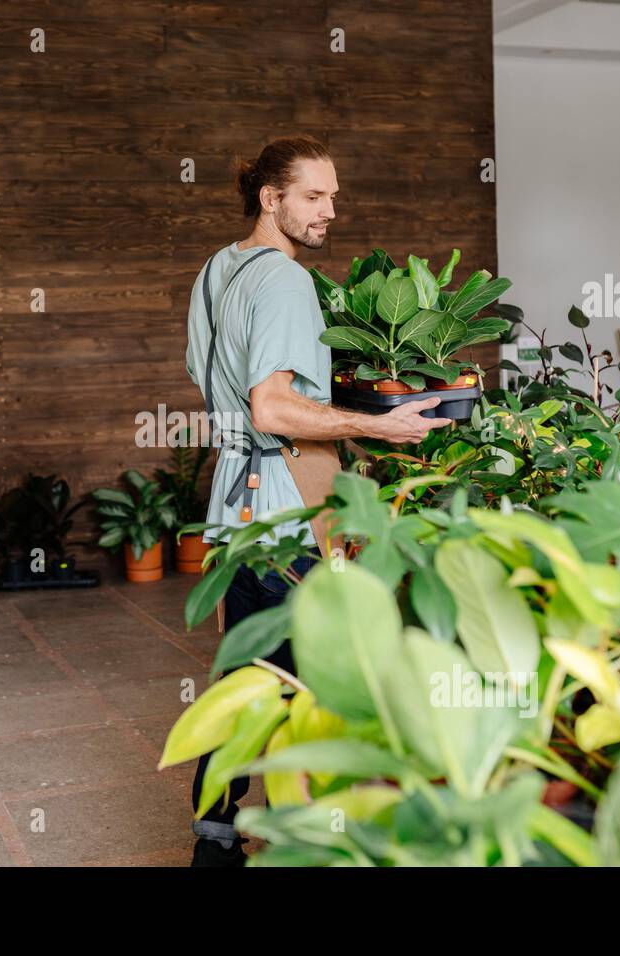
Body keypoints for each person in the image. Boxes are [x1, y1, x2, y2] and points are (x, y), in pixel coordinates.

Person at [183, 135, 451, 866]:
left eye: (333, 195)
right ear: (271, 199)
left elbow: (235, 396)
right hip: (282, 506)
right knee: (308, 687)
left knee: (248, 676)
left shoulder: (217, 270)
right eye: (313, 196)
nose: (331, 210)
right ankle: (309, 841)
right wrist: (379, 424)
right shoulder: (285, 283)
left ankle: (215, 835)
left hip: (231, 506)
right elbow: (274, 410)